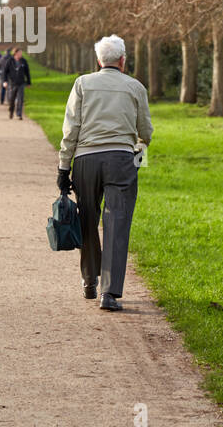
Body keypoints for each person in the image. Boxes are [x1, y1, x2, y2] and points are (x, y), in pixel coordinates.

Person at [56, 35, 152, 312]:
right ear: (122, 60)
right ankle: (109, 293)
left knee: (87, 218)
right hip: (121, 159)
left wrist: (64, 167)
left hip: (86, 160)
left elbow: (70, 129)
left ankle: (89, 280)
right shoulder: (135, 87)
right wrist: (138, 154)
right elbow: (145, 131)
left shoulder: (82, 84)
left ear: (99, 60)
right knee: (117, 223)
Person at [4, 47, 31, 120]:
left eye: (21, 53)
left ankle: (19, 114)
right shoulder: (10, 61)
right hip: (12, 83)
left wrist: (28, 82)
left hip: (21, 83)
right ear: (15, 53)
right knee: (11, 99)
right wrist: (5, 81)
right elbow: (5, 72)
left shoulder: (23, 61)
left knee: (20, 99)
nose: (21, 54)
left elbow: (27, 72)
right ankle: (11, 111)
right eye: (19, 53)